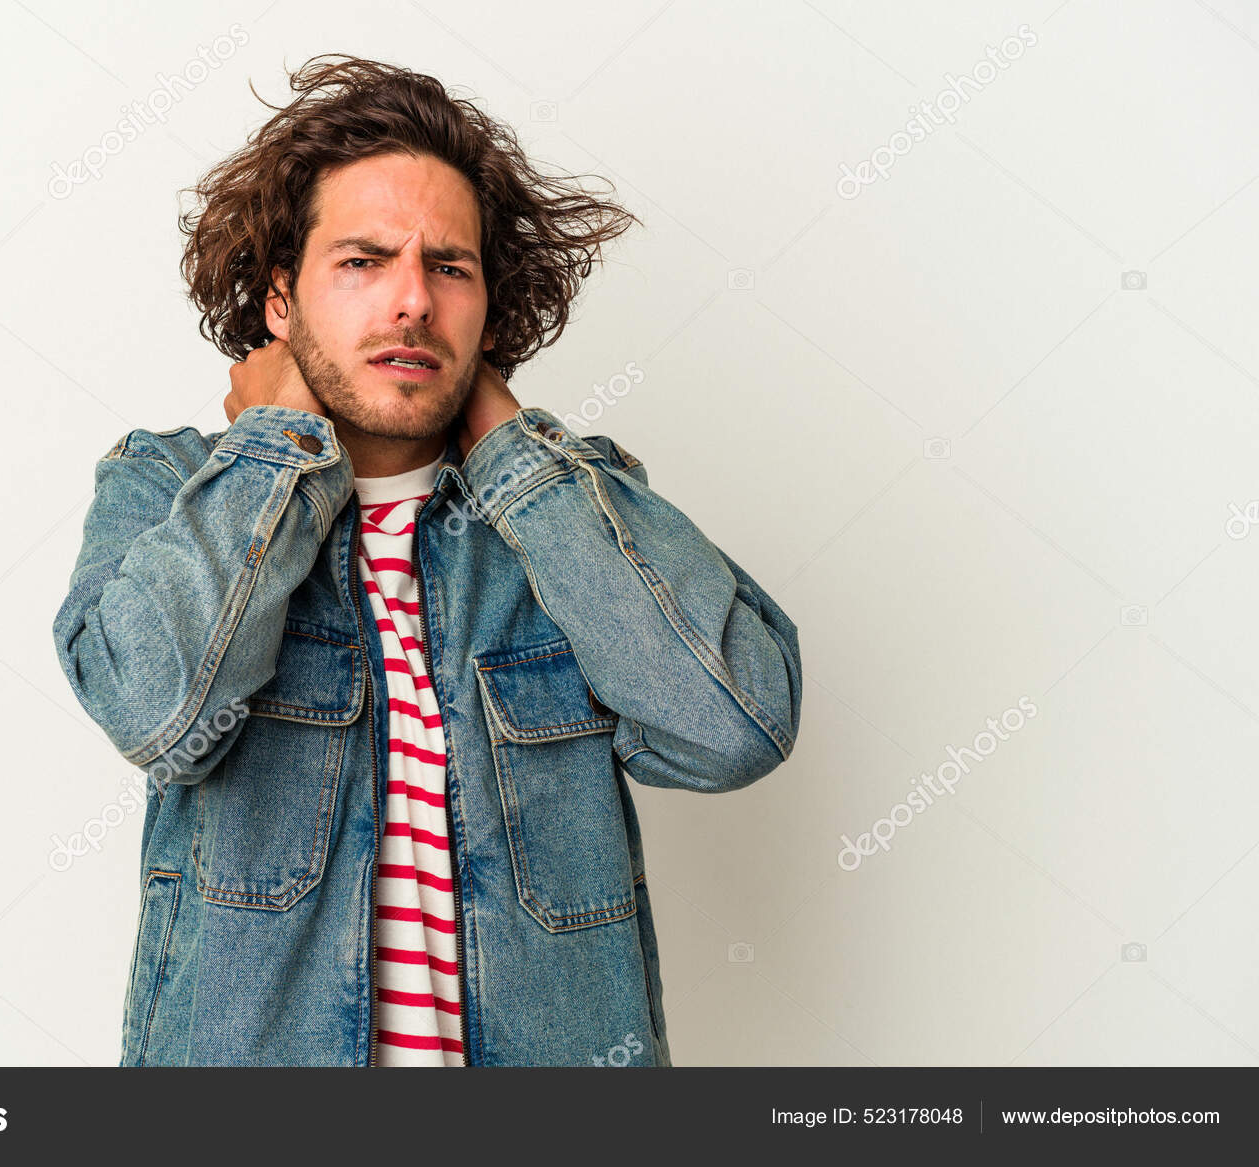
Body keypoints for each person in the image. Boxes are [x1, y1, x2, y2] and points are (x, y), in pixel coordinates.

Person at [52, 54, 802, 1066]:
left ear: (487, 309)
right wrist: (273, 449)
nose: (411, 301)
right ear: (281, 300)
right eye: (362, 261)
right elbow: (155, 710)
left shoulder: (568, 513)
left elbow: (732, 727)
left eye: (448, 268)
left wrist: (510, 447)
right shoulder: (164, 489)